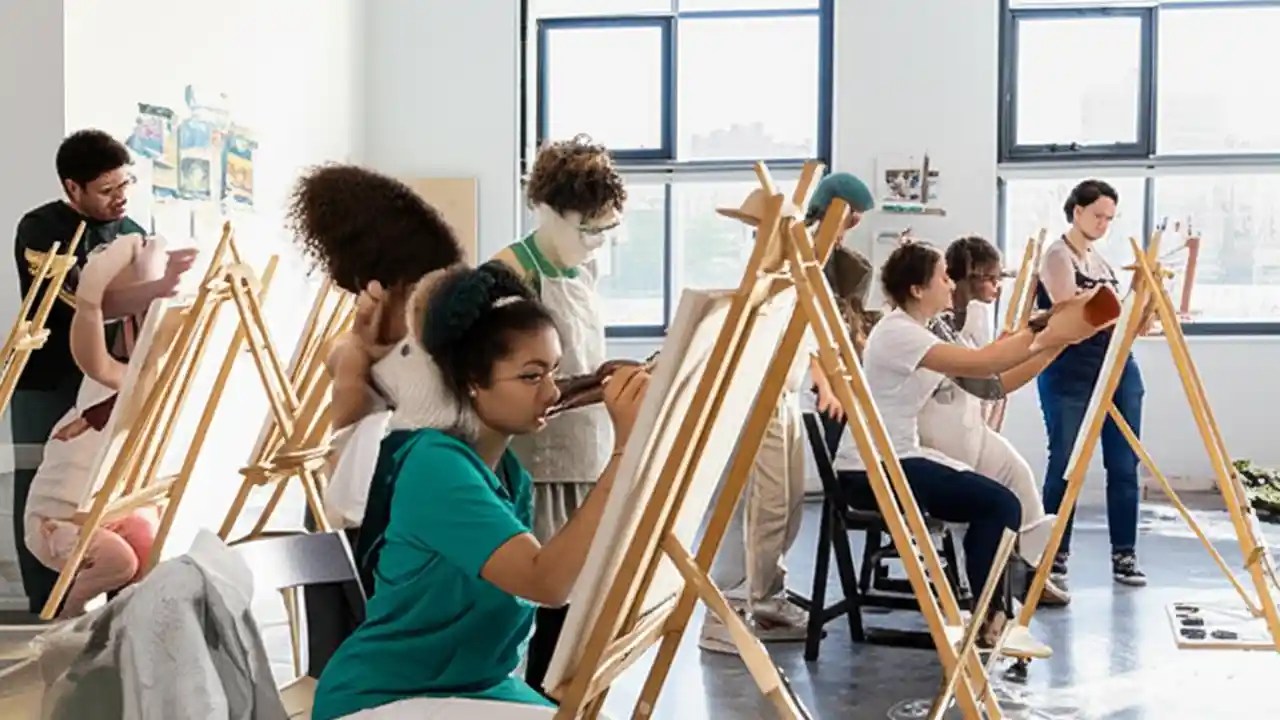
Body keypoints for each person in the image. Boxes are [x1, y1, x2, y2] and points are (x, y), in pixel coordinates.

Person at [311, 262, 651, 720]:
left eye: (553, 372)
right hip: (385, 698)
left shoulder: (511, 475)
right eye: (532, 377)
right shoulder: (436, 467)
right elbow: (545, 582)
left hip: (476, 689)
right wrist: (625, 453)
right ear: (471, 382)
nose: (552, 392)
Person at [832, 240, 1093, 647]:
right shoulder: (899, 332)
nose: (952, 285)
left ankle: (991, 611)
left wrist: (1058, 343)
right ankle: (990, 616)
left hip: (894, 460)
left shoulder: (923, 330)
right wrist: (1045, 328)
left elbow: (994, 384)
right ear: (918, 289)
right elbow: (986, 362)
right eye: (942, 277)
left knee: (1002, 498)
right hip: (872, 470)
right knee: (998, 503)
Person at [284, 163, 466, 674]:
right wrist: (357, 351)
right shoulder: (435, 286)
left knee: (347, 654)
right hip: (389, 488)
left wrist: (357, 355)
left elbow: (345, 412)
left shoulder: (401, 299)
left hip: (374, 495)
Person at [9, 129, 194, 613]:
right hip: (50, 377)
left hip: (111, 375)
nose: (121, 198)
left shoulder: (131, 228)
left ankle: (117, 595)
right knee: (46, 488)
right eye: (108, 190)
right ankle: (45, 604)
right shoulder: (40, 226)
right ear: (73, 188)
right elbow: (84, 299)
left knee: (117, 485)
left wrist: (158, 289)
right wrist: (156, 289)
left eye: (125, 184)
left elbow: (127, 303)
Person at [700, 172, 871, 653]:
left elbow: (807, 330)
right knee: (768, 502)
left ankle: (764, 597)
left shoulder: (802, 262)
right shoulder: (774, 267)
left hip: (782, 389)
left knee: (786, 500)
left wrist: (823, 376)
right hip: (760, 391)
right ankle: (747, 603)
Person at [489, 135, 626, 693]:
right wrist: (581, 388)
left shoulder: (581, 272)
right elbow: (503, 382)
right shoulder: (508, 273)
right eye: (587, 229)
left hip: (587, 450)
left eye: (606, 231)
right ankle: (540, 702)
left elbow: (581, 359)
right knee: (546, 596)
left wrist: (605, 380)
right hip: (536, 461)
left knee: (582, 600)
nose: (595, 243)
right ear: (546, 209)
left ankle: (559, 700)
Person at [917, 235, 1070, 606]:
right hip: (940, 430)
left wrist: (1044, 337)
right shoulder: (929, 325)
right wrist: (1046, 339)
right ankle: (996, 585)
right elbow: (984, 371)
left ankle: (1031, 571)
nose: (996, 286)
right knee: (994, 498)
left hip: (969, 422)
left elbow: (987, 370)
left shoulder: (958, 319)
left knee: (1019, 475)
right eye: (990, 278)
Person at [22, 233, 170, 617]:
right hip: (59, 518)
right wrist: (128, 249)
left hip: (108, 506)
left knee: (151, 543)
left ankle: (122, 632)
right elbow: (92, 308)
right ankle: (71, 619)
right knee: (118, 561)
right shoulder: (111, 373)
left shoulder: (155, 373)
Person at [1035, 179, 1147, 587]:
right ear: (1076, 210)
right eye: (1097, 215)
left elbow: (1118, 319)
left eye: (1109, 218)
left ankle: (1125, 554)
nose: (1103, 224)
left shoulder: (1101, 262)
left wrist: (1139, 306)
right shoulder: (1057, 256)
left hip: (1116, 364)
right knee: (1065, 462)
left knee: (1123, 461)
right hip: (1069, 367)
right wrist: (1116, 309)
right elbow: (1070, 311)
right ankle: (1053, 553)